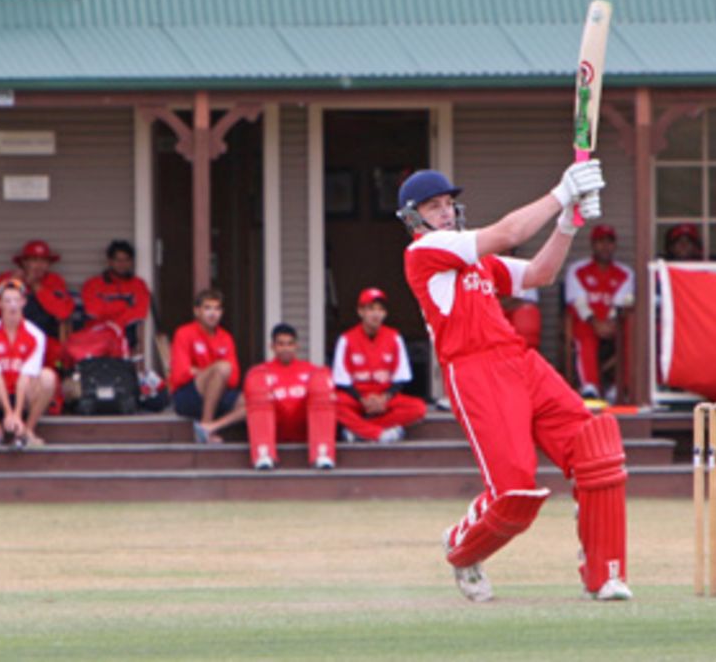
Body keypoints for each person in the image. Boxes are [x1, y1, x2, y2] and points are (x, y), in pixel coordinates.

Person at [396, 163, 631, 603]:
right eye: (433, 207)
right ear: (413, 218)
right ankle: (462, 546)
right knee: (515, 494)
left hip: (519, 360)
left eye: (448, 204)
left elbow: (539, 274)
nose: (445, 212)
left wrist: (567, 225)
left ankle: (604, 575)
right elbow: (508, 232)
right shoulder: (424, 252)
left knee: (596, 450)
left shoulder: (477, 260)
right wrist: (561, 193)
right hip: (475, 370)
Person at [0, 278, 59, 448]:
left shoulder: (36, 334)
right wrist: (8, 412)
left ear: (23, 302)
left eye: (16, 300)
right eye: (7, 301)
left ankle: (28, 430)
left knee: (48, 377)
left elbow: (26, 375)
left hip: (24, 392)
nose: (12, 306)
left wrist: (17, 414)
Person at [332, 288, 427, 443]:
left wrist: (383, 398)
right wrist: (363, 399)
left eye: (380, 309)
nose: (376, 314)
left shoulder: (394, 337)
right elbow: (341, 380)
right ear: (360, 312)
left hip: (385, 397)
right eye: (370, 309)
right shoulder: (346, 339)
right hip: (357, 397)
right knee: (331, 403)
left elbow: (401, 377)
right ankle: (379, 434)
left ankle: (361, 431)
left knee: (418, 408)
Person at [244, 323, 336, 470]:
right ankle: (263, 453)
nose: (286, 348)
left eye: (290, 344)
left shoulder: (311, 370)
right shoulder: (261, 372)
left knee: (322, 378)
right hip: (275, 424)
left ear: (296, 346)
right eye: (281, 344)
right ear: (272, 347)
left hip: (303, 423)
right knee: (256, 379)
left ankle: (322, 452)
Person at [0, 240, 75, 371]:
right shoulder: (7, 278)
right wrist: (11, 285)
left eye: (44, 261)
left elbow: (64, 312)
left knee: (58, 358)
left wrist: (37, 287)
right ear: (24, 263)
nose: (39, 265)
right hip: (8, 336)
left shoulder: (54, 281)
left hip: (46, 336)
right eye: (34, 260)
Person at [564, 224, 634, 401]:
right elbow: (577, 302)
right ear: (593, 244)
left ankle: (622, 387)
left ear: (615, 245)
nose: (605, 246)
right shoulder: (577, 270)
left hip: (614, 324)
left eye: (609, 242)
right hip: (589, 322)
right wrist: (595, 322)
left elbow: (623, 301)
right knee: (582, 329)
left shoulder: (625, 273)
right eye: (600, 242)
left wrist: (611, 323)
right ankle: (590, 386)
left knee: (631, 329)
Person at [169, 288, 246, 443]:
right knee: (222, 368)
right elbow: (180, 374)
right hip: (188, 396)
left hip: (218, 395)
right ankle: (206, 423)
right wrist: (213, 374)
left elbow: (234, 379)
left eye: (217, 309)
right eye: (207, 308)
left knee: (255, 401)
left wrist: (205, 373)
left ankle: (209, 427)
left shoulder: (226, 338)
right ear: (197, 311)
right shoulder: (184, 333)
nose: (213, 313)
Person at [81, 240, 151, 355]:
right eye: (118, 260)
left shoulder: (138, 284)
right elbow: (94, 311)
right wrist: (123, 305)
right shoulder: (93, 284)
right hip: (98, 334)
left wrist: (116, 323)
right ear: (109, 261)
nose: (122, 264)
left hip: (126, 334)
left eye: (126, 260)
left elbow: (139, 312)